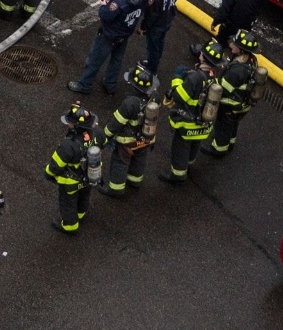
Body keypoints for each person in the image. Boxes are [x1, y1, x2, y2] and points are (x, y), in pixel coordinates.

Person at [68, 0, 144, 94]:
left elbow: (105, 16)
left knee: (93, 61)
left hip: (109, 36)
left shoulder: (120, 0)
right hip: (124, 35)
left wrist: (104, 5)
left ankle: (84, 85)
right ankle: (110, 85)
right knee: (116, 61)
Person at [163, 39, 221, 183]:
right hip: (203, 124)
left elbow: (179, 96)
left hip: (187, 124)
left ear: (203, 56)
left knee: (180, 149)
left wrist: (177, 79)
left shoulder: (195, 78)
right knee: (194, 145)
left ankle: (177, 176)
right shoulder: (214, 78)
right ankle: (189, 164)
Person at [208, 31, 264, 157]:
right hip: (243, 105)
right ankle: (231, 143)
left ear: (241, 49)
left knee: (223, 127)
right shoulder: (251, 60)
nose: (231, 44)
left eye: (234, 43)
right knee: (233, 125)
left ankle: (219, 150)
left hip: (231, 106)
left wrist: (208, 80)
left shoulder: (236, 71)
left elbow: (221, 88)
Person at [45, 103, 98, 235]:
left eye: (70, 123)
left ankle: (70, 226)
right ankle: (80, 214)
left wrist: (48, 173)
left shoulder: (68, 145)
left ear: (77, 126)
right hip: (89, 175)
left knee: (68, 203)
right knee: (84, 196)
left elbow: (56, 165)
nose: (68, 124)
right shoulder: (92, 134)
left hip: (70, 182)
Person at [104, 66, 158, 196]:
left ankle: (115, 189)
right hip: (146, 139)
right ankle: (135, 181)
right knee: (139, 160)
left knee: (120, 162)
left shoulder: (130, 103)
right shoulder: (154, 98)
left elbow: (116, 123)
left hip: (127, 142)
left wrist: (105, 136)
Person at [141, 0, 184, 73]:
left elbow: (151, 14)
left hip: (157, 25)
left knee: (153, 47)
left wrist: (143, 27)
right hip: (168, 19)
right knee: (160, 43)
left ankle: (151, 69)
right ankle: (153, 62)